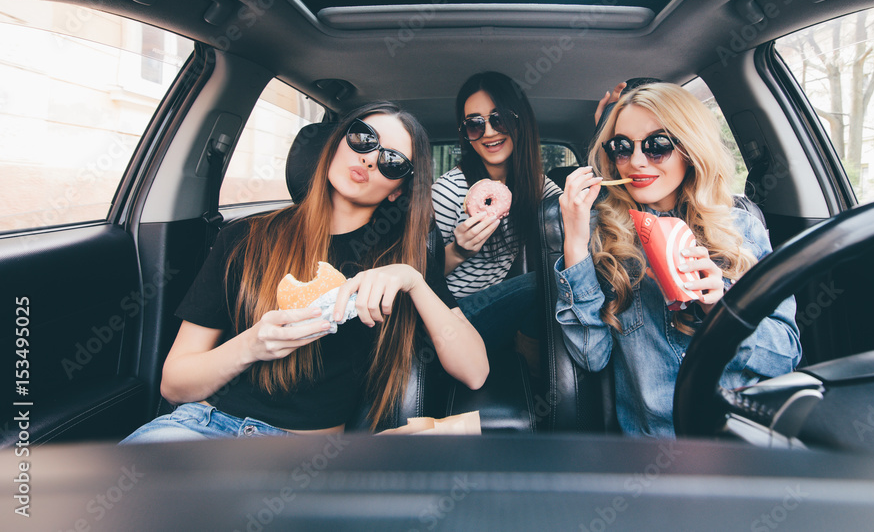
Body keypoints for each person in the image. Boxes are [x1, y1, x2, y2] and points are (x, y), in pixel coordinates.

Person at [122, 102, 488, 442]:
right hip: (201, 427)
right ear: (336, 145)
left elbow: (475, 371)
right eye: (363, 139)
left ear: (397, 190)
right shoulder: (245, 238)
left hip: (301, 455)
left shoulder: (402, 262)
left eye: (392, 161)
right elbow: (174, 384)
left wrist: (413, 280)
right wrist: (251, 344)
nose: (371, 160)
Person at [556, 82, 801, 437]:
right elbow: (590, 356)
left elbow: (786, 355)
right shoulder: (603, 236)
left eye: (657, 145)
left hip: (746, 435)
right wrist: (575, 242)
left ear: (690, 148)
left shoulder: (740, 227)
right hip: (655, 448)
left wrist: (723, 310)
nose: (636, 160)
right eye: (622, 147)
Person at [432, 71, 562, 351]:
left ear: (520, 121)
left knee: (554, 283)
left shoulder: (534, 184)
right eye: (475, 125)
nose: (489, 132)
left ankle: (529, 368)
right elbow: (418, 273)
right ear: (466, 134)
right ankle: (532, 367)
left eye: (499, 119)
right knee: (541, 284)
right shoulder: (449, 190)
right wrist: (458, 251)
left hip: (493, 305)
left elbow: (578, 213)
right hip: (446, 313)